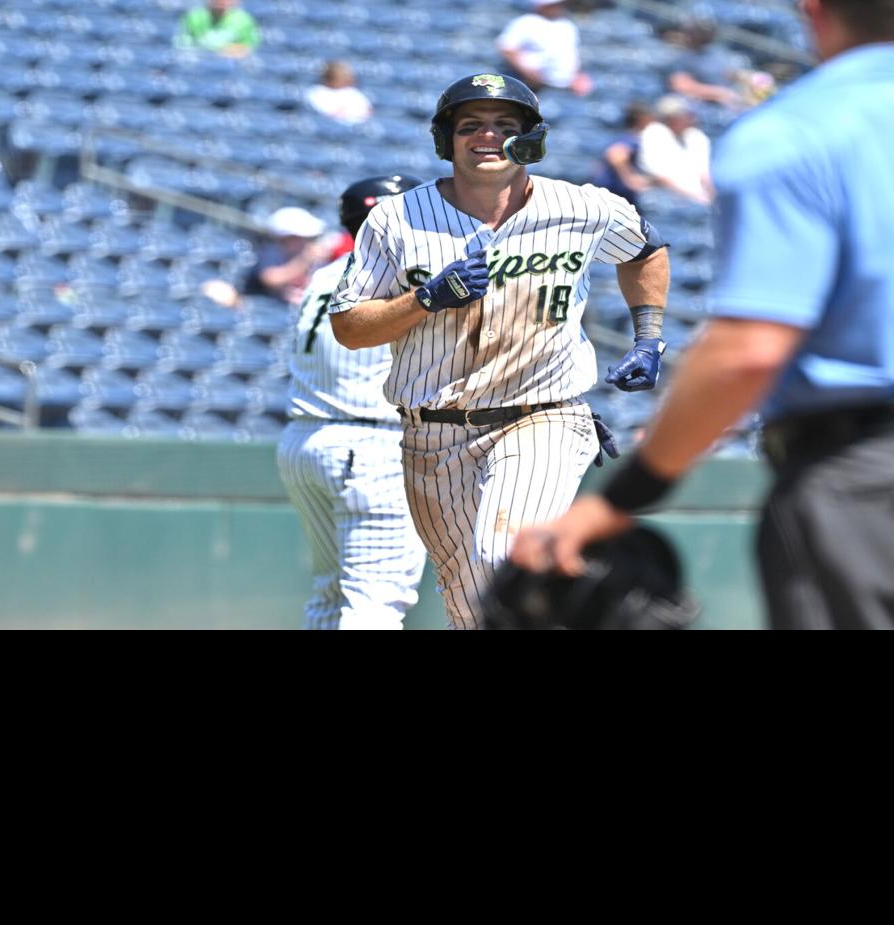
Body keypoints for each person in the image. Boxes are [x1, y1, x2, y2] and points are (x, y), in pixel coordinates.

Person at [510, 0, 894, 630]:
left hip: (869, 491)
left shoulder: (792, 130)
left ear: (811, 9)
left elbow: (751, 351)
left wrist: (622, 500)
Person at [329, 73, 673, 630]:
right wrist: (425, 298)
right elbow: (349, 326)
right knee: (473, 605)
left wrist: (649, 333)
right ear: (446, 140)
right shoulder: (396, 218)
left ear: (531, 138)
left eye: (504, 126)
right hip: (432, 433)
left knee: (502, 557)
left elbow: (646, 250)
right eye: (470, 126)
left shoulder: (583, 207)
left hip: (543, 417)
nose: (487, 136)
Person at [278, 174, 430, 630]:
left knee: (333, 591)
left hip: (306, 441)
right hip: (370, 446)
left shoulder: (325, 274)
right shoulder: (401, 278)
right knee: (375, 601)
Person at [495, 0, 593, 97]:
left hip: (566, 86)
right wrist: (527, 72)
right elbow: (507, 48)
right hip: (534, 86)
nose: (558, 7)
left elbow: (571, 55)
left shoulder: (567, 24)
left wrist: (578, 76)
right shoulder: (526, 22)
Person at [246, 206, 335, 306]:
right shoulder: (270, 252)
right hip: (262, 309)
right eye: (299, 238)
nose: (304, 242)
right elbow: (270, 278)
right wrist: (305, 259)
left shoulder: (302, 256)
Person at [636, 95, 713, 205]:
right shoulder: (653, 133)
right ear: (671, 118)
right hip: (664, 197)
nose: (691, 118)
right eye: (685, 115)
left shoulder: (696, 136)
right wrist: (695, 197)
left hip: (697, 197)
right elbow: (660, 177)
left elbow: (704, 175)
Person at [590, 101, 656, 207]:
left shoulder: (625, 135)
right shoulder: (631, 137)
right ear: (641, 118)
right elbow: (616, 154)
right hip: (613, 194)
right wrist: (629, 178)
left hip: (612, 194)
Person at [173, 0, 261, 59]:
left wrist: (230, 51)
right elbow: (182, 44)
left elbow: (250, 47)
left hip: (231, 63)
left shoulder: (243, 20)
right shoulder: (194, 17)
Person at [306, 61, 374, 125]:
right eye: (343, 76)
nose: (347, 79)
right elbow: (325, 115)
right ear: (330, 78)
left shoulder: (352, 92)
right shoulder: (317, 92)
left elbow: (368, 111)